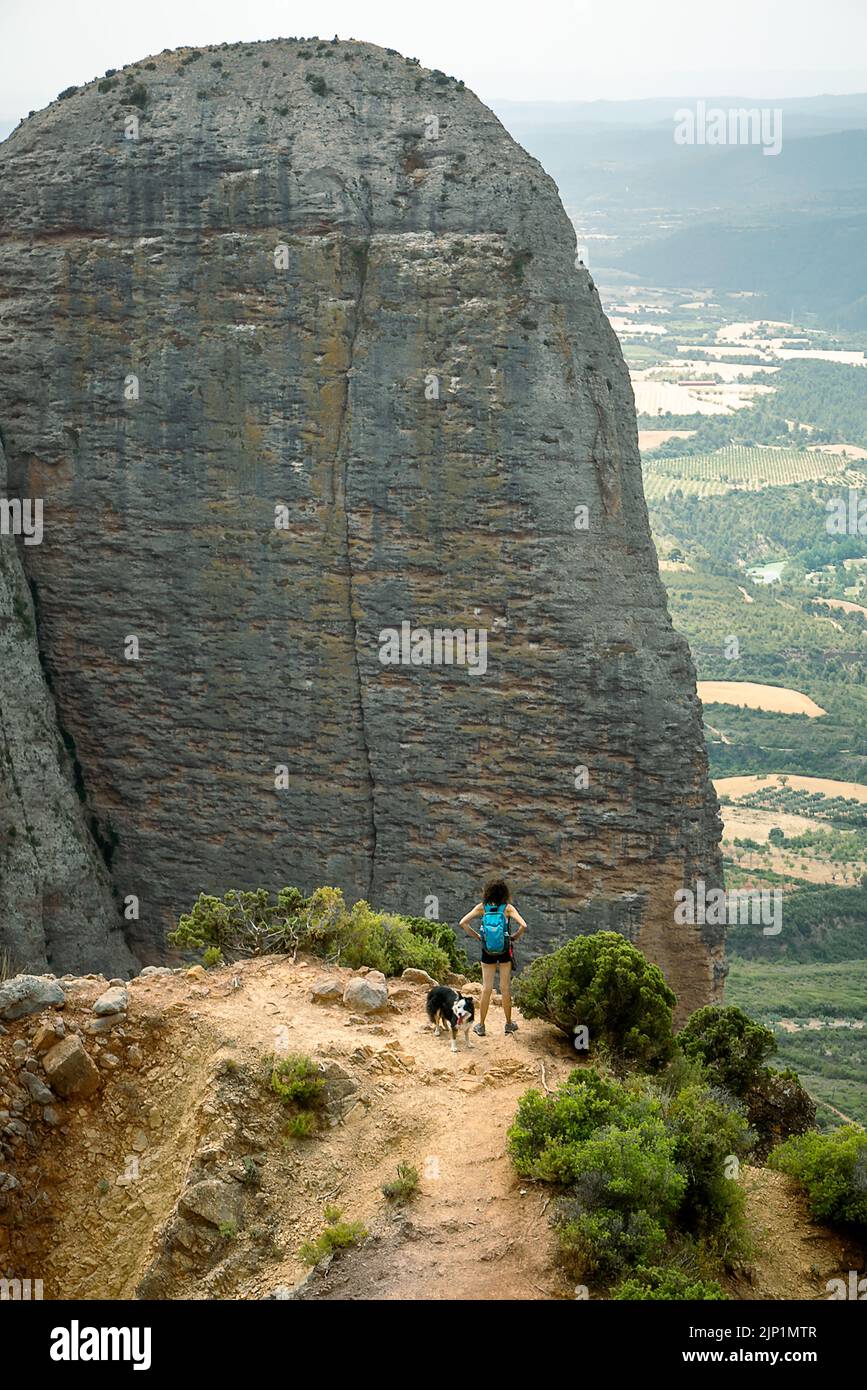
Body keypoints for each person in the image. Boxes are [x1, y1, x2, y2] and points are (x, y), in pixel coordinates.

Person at [459, 879, 527, 1037]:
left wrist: (478, 937)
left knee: (486, 988)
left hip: (487, 951)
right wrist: (513, 937)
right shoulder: (508, 908)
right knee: (505, 988)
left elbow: (463, 922)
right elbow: (524, 925)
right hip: (504, 951)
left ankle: (481, 1026)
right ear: (504, 893)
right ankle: (509, 1024)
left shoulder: (482, 907)